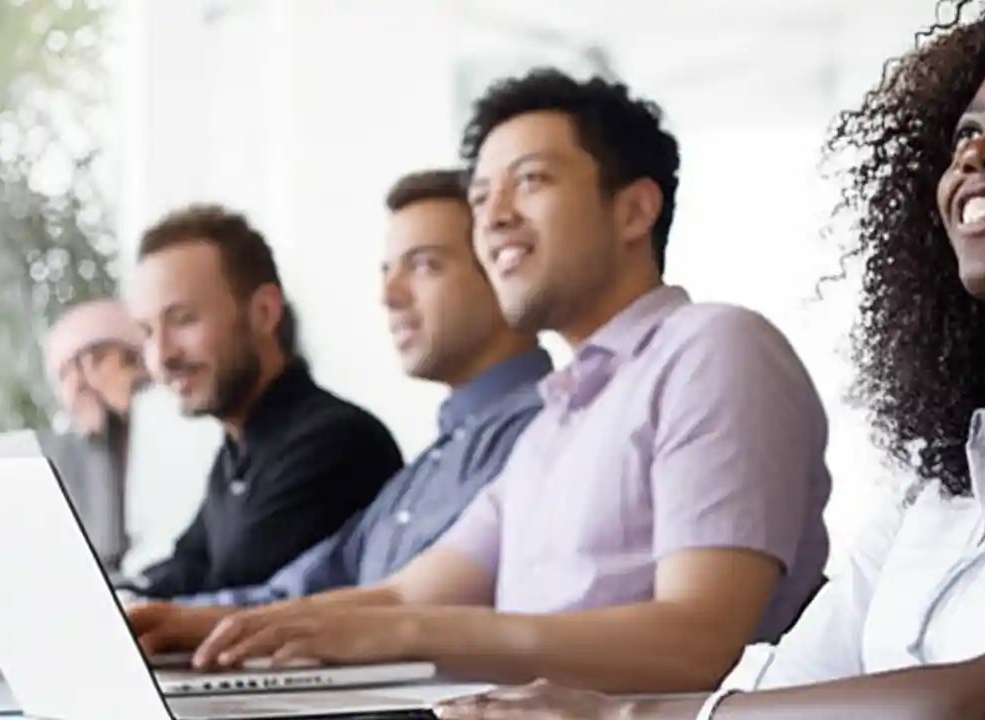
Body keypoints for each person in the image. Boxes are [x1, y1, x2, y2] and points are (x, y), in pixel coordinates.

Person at [433, 0, 985, 718]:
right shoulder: (938, 487)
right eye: (966, 133)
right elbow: (791, 688)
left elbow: (979, 707)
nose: (980, 155)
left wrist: (625, 715)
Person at [154, 70, 832, 695]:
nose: (494, 216)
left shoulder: (713, 348)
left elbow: (701, 641)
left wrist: (411, 632)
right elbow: (402, 595)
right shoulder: (556, 421)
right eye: (481, 197)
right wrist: (202, 629)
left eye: (530, 181)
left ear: (633, 211)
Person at [125, 169, 551, 634]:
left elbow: (401, 612)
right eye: (387, 271)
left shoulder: (546, 435)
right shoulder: (428, 468)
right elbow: (297, 592)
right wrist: (166, 620)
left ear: (503, 267)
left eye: (424, 265)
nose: (388, 296)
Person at [124, 205, 403, 598]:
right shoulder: (238, 451)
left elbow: (235, 591)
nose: (162, 356)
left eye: (183, 319)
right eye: (147, 332)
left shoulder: (335, 442)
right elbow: (188, 567)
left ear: (264, 312)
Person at [43, 299, 148, 571]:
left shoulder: (173, 424)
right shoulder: (69, 450)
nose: (81, 384)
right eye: (66, 374)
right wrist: (98, 443)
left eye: (96, 361)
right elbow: (103, 546)